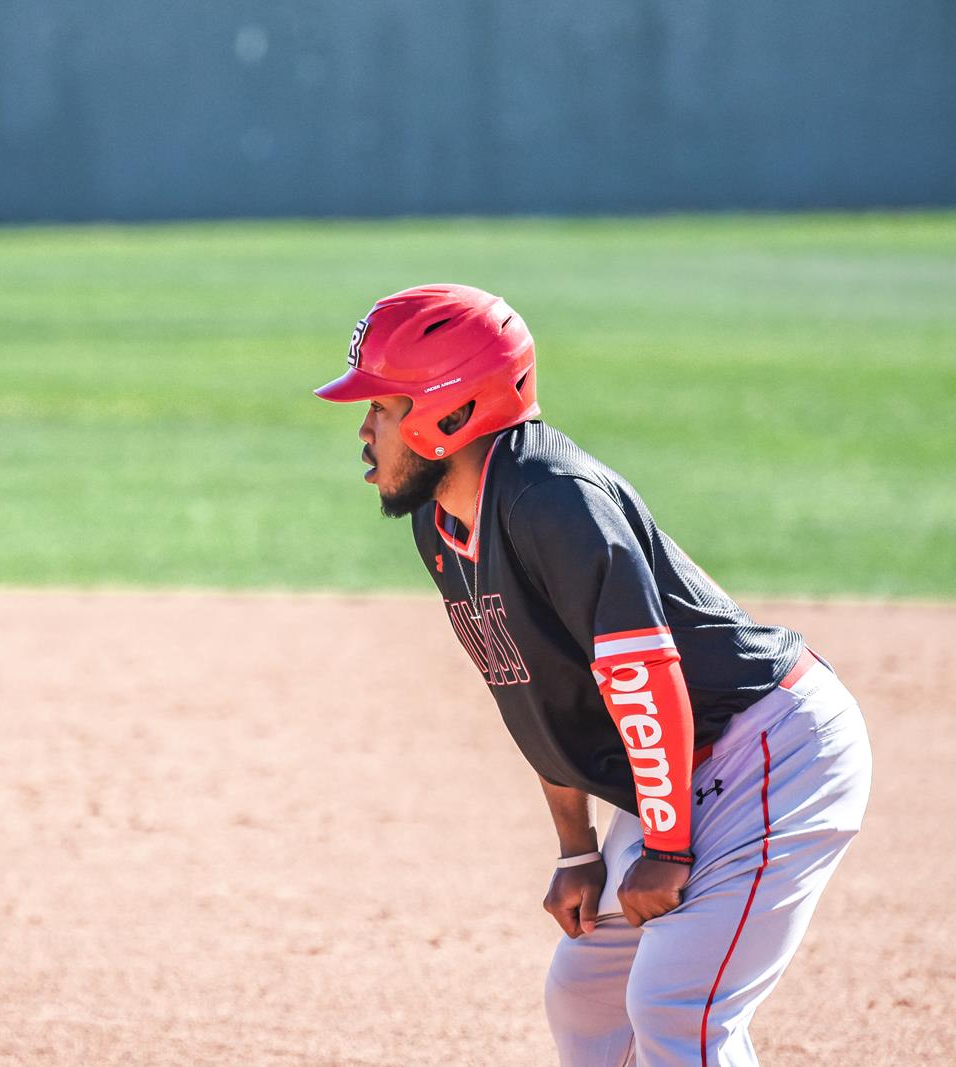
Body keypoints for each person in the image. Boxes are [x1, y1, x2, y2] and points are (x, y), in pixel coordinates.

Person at [315, 284, 870, 1064]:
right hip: (680, 764)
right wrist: (577, 849)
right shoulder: (441, 522)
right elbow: (531, 691)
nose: (365, 428)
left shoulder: (553, 499)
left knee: (677, 1002)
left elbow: (643, 674)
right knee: (586, 993)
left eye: (382, 405)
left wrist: (667, 847)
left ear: (449, 413)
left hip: (771, 748)